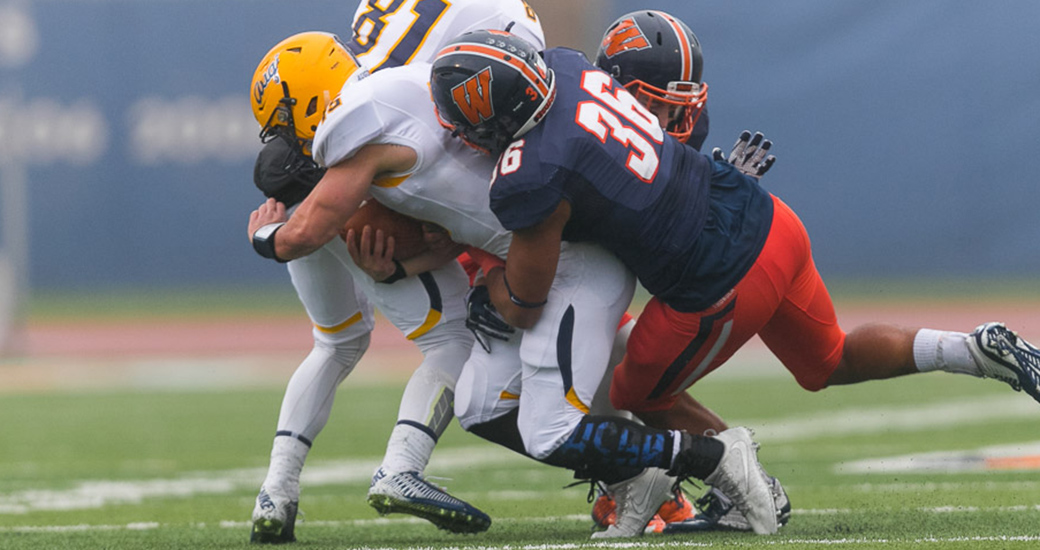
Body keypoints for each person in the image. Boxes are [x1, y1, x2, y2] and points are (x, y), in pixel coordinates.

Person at [428, 28, 1040, 532]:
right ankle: (973, 349)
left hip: (718, 280)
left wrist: (489, 288)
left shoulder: (531, 171)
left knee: (636, 392)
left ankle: (746, 485)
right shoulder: (568, 68)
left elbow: (528, 300)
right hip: (768, 219)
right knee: (827, 362)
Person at [247, 27, 782, 540]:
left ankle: (710, 456)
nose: (460, 135)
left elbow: (522, 300)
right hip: (558, 253)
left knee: (551, 428)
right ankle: (637, 482)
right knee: (479, 406)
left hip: (572, 268)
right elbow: (451, 218)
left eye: (467, 126)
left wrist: (265, 235)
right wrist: (408, 269)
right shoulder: (544, 69)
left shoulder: (519, 173)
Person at [248, 2, 546, 540]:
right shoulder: (388, 92)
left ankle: (275, 493)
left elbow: (285, 172)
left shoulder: (371, 80)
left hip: (306, 206)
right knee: (455, 341)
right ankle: (402, 468)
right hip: (354, 201)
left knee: (334, 343)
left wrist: (265, 235)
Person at [589, 10, 788, 534]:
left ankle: (644, 483)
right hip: (579, 251)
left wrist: (720, 190)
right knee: (582, 362)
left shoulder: (685, 122)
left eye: (678, 102)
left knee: (617, 371)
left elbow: (663, 205)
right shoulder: (583, 131)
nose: (669, 117)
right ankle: (634, 480)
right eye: (653, 101)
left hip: (632, 262)